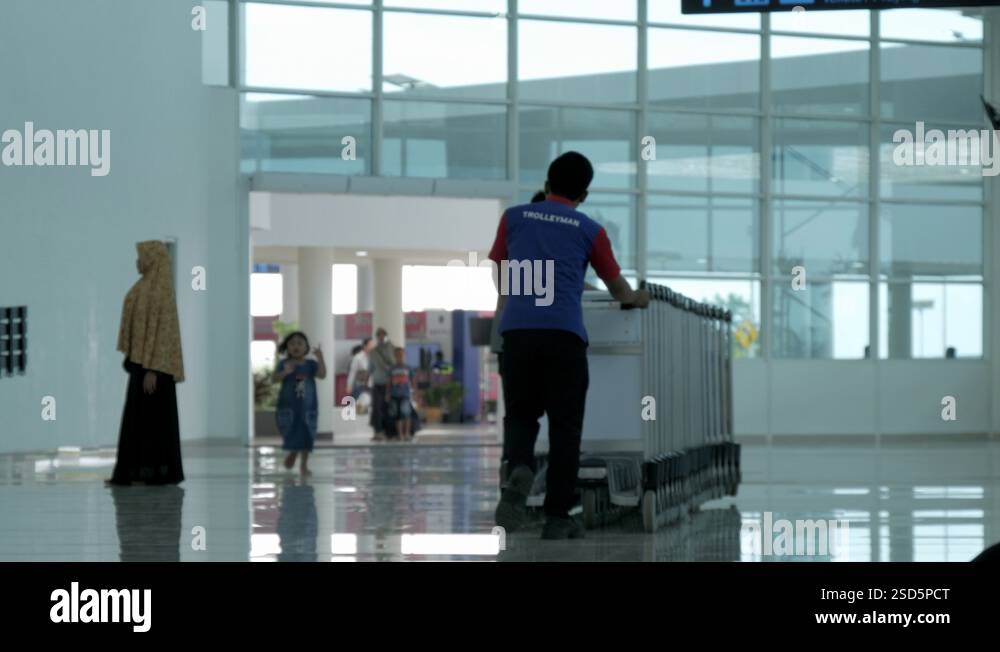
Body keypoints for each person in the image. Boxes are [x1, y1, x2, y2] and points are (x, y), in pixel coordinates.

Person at [489, 152, 649, 540]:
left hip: (518, 335)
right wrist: (637, 297)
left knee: (521, 417)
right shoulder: (589, 229)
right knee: (565, 429)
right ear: (585, 194)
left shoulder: (513, 218)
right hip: (563, 338)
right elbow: (617, 289)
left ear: (546, 184)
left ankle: (520, 468)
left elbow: (500, 274)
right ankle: (557, 516)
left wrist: (509, 325)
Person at [108, 240, 185, 486]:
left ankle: (156, 473)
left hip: (154, 371)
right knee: (136, 420)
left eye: (141, 256)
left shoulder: (162, 292)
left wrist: (154, 368)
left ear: (152, 260)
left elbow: (164, 334)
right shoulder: (143, 287)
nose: (137, 262)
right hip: (141, 365)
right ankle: (132, 472)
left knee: (153, 423)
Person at [274, 331, 326, 476]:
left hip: (308, 407)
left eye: (299, 343)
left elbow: (322, 375)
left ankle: (303, 464)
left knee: (307, 433)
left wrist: (320, 358)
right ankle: (293, 451)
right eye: (292, 343)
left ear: (306, 347)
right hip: (288, 407)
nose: (296, 346)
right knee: (291, 431)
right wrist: (285, 372)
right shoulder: (284, 364)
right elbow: (275, 379)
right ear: (287, 347)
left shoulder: (310, 364)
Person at [368, 327, 396, 441]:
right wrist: (366, 380)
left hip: (389, 383)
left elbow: (394, 364)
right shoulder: (373, 351)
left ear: (386, 335)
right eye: (379, 335)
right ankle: (378, 431)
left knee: (388, 408)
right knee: (376, 407)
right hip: (377, 382)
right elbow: (371, 367)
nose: (381, 337)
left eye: (383, 335)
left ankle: (390, 432)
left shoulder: (392, 348)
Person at [387, 347, 414, 442]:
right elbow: (389, 382)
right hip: (394, 394)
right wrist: (388, 393)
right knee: (397, 415)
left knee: (406, 413)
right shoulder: (392, 368)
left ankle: (407, 433)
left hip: (405, 394)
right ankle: (400, 434)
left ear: (404, 355)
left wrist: (415, 393)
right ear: (395, 356)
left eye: (401, 355)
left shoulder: (408, 368)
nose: (400, 357)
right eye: (397, 355)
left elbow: (413, 381)